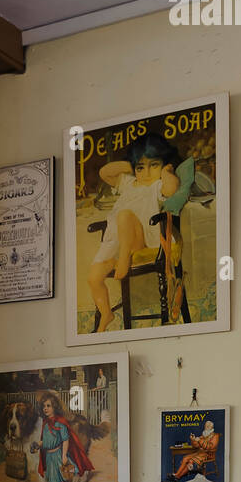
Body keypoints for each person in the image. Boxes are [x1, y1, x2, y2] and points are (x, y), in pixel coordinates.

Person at [88, 132, 182, 332]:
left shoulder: (157, 186)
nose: (147, 172)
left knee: (124, 215)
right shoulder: (129, 183)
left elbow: (172, 189)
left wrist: (166, 172)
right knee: (94, 276)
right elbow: (105, 173)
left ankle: (124, 259)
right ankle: (106, 312)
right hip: (115, 240)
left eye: (154, 165)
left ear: (163, 164)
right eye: (141, 167)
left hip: (141, 238)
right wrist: (130, 165)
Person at [38, 391, 94, 482]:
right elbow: (44, 441)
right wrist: (38, 445)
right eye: (44, 406)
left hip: (58, 455)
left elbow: (66, 440)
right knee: (56, 481)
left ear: (55, 408)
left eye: (48, 406)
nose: (45, 408)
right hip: (49, 457)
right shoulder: (45, 424)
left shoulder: (60, 423)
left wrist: (64, 456)